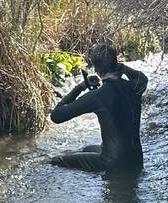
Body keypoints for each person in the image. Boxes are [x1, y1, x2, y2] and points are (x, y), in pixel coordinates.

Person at [49, 43, 148, 172]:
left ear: (97, 70)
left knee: (56, 160)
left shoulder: (97, 96)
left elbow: (56, 116)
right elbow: (143, 78)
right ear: (116, 63)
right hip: (136, 161)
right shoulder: (135, 87)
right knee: (88, 148)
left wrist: (81, 87)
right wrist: (124, 68)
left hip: (111, 163)